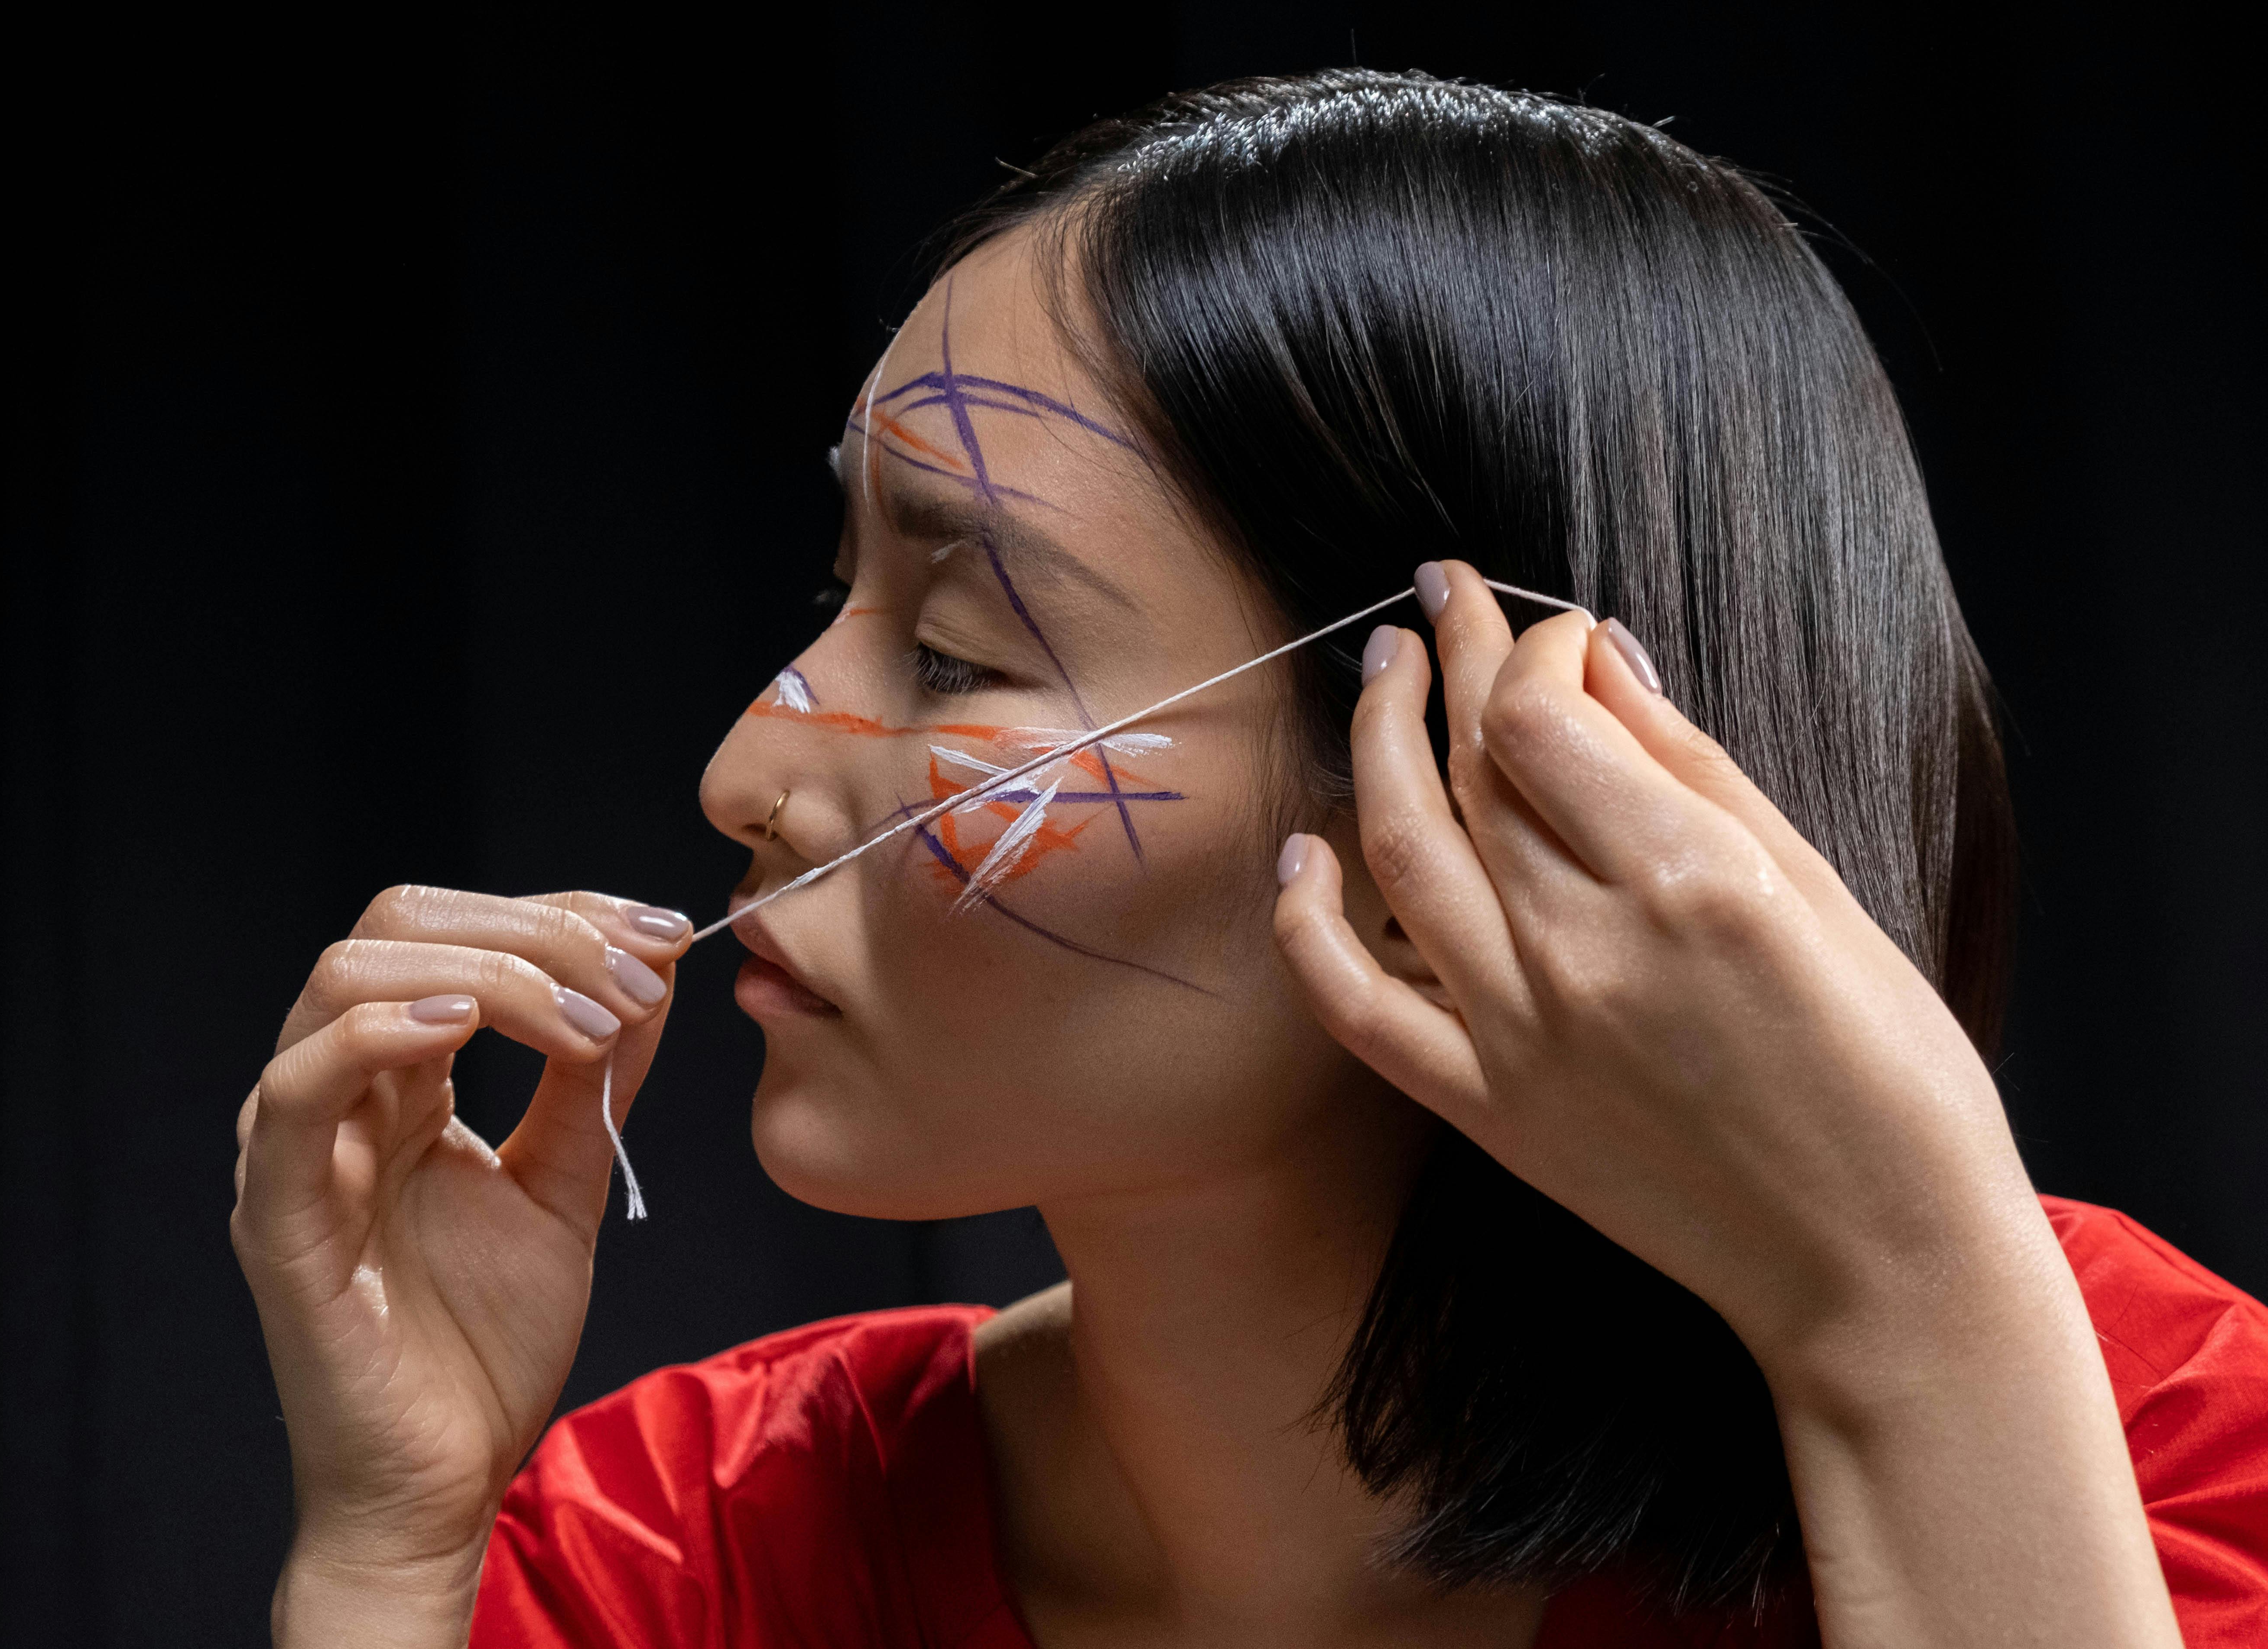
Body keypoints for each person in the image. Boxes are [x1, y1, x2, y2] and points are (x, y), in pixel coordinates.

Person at [229, 71, 2268, 1648]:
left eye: (954, 650)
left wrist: (1902, 1320)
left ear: (1468, 783)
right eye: (838, 596)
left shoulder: (2139, 1431)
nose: (747, 765)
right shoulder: (683, 1546)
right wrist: (388, 1554)